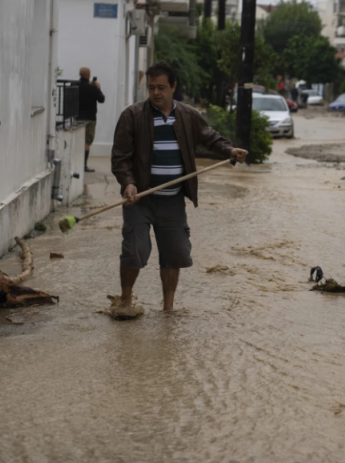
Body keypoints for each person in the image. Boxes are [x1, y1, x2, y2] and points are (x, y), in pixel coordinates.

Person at [111, 61, 248, 312]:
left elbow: (209, 137)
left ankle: (168, 310)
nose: (156, 93)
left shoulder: (187, 115)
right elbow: (120, 158)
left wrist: (230, 150)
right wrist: (128, 183)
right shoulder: (132, 116)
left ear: (173, 87)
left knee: (174, 253)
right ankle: (125, 300)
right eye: (151, 87)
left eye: (161, 87)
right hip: (139, 199)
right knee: (134, 250)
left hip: (173, 200)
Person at [77, 67, 105, 173]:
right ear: (89, 75)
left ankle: (77, 163)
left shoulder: (75, 86)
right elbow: (102, 99)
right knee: (87, 142)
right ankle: (84, 165)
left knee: (77, 141)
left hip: (77, 117)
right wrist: (98, 88)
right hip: (90, 118)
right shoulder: (92, 88)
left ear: (80, 74)